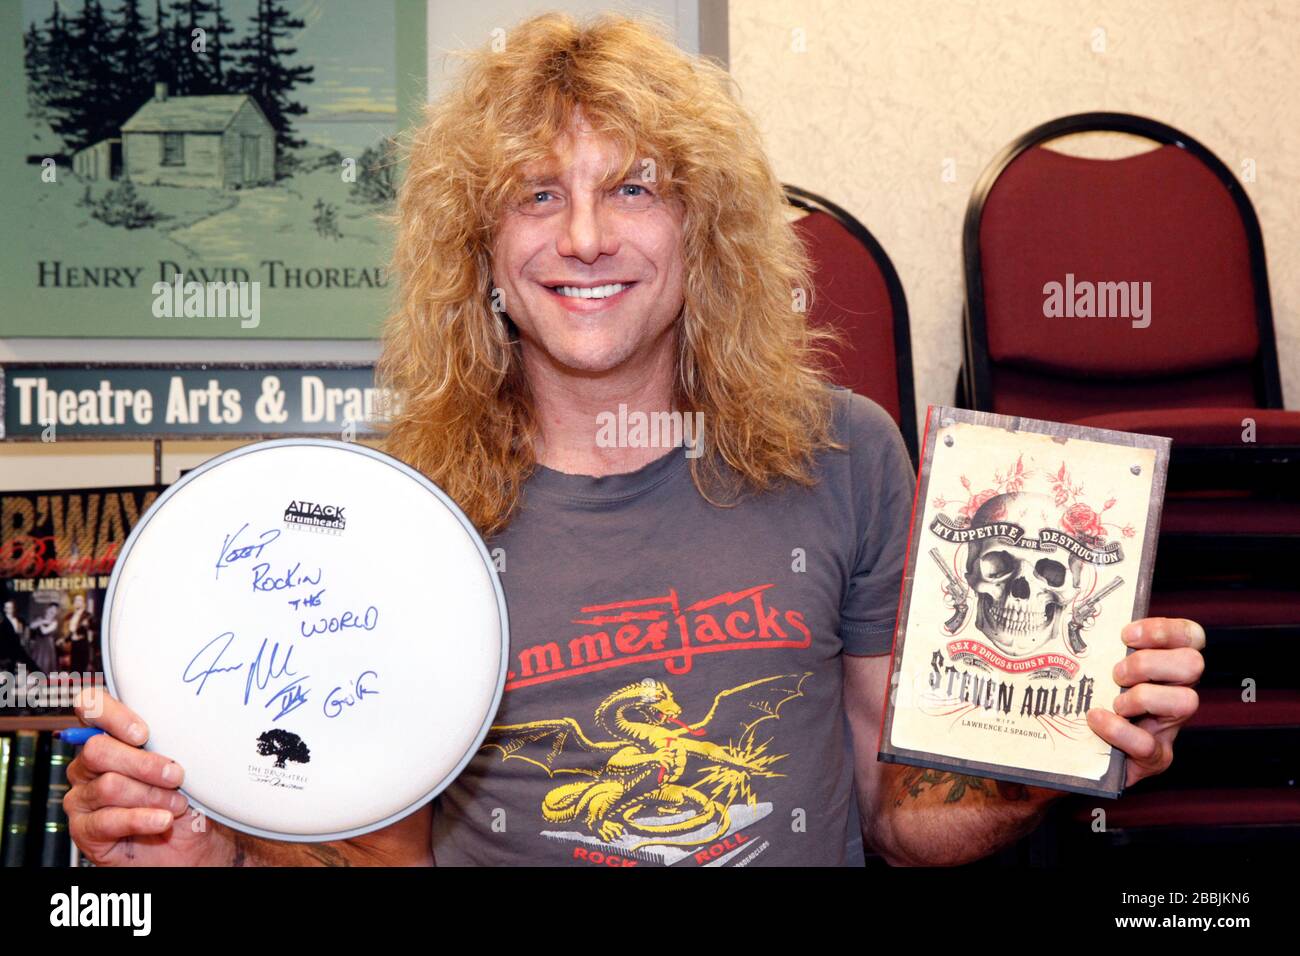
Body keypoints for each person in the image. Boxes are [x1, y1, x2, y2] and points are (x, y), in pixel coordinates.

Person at [63, 13, 1204, 867]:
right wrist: (210, 853)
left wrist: (1057, 752)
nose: (589, 237)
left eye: (637, 188)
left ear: (705, 230)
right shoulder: (391, 509)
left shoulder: (847, 455)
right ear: (480, 248)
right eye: (537, 196)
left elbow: (893, 818)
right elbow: (377, 850)